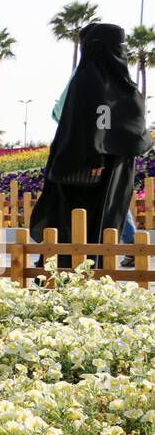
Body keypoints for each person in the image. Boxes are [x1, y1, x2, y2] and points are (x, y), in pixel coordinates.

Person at [30, 23, 151, 267]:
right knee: (77, 219)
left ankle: (93, 269)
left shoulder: (112, 80)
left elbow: (113, 119)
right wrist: (96, 153)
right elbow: (93, 121)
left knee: (102, 219)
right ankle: (67, 269)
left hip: (109, 165)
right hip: (87, 165)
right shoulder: (91, 79)